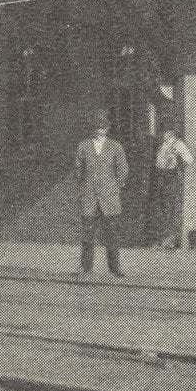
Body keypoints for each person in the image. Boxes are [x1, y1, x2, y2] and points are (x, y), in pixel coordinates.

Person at [73, 109, 128, 278]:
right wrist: (85, 186)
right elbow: (78, 169)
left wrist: (114, 187)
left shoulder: (115, 147)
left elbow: (123, 170)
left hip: (110, 198)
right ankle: (85, 267)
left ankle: (115, 268)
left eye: (103, 126)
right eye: (97, 126)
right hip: (89, 197)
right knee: (87, 233)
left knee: (111, 234)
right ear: (92, 128)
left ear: (108, 128)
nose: (100, 130)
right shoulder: (83, 146)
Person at [152, 121, 194, 250]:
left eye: (165, 132)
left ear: (170, 133)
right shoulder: (162, 144)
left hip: (171, 177)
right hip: (160, 176)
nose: (163, 135)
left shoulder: (177, 144)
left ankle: (169, 240)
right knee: (160, 207)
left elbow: (189, 159)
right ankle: (161, 239)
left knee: (169, 207)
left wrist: (178, 163)